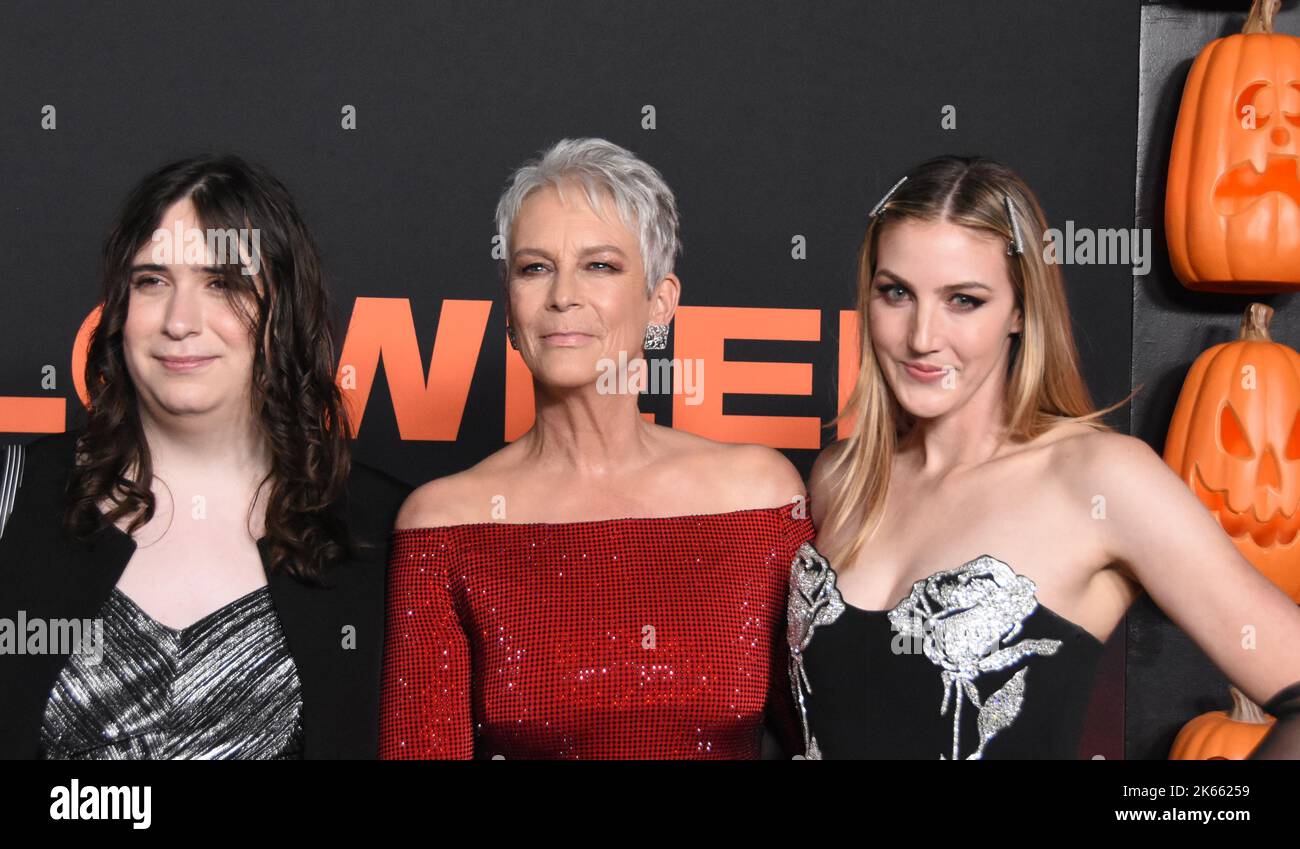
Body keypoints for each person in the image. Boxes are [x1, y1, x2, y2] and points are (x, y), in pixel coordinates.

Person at [789, 155, 1300, 759]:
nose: (922, 336)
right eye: (896, 292)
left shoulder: (1100, 479)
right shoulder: (842, 476)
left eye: (964, 300)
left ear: (1021, 311)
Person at [379, 138, 809, 759]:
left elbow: (826, 736)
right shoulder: (444, 524)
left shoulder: (762, 499)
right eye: (535, 268)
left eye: (600, 266)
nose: (562, 296)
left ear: (660, 301)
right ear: (509, 308)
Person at [0, 154, 409, 759]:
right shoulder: (15, 497)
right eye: (152, 281)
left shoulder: (385, 531)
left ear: (282, 311)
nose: (179, 321)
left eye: (224, 283)